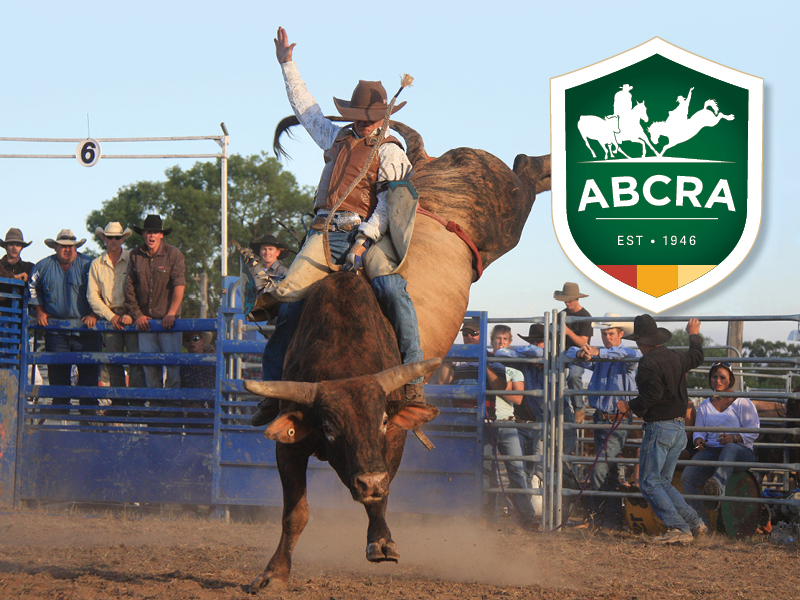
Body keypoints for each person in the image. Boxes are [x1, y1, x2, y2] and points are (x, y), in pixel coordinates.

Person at [252, 26, 423, 426]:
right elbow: (307, 109)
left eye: (369, 119)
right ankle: (274, 388)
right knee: (289, 302)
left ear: (381, 118)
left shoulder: (391, 152)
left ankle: (413, 375)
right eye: (358, 118)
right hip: (324, 235)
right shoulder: (336, 138)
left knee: (391, 288)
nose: (362, 125)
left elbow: (386, 206)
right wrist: (287, 64)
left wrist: (363, 242)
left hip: (369, 233)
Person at [616, 315, 708, 544]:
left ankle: (679, 527)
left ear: (640, 341)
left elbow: (652, 395)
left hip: (660, 427)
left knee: (648, 482)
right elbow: (697, 356)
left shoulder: (648, 363)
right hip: (678, 428)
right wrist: (693, 335)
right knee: (662, 482)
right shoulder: (676, 356)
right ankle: (694, 523)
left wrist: (629, 405)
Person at [568, 313, 641, 529]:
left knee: (601, 467)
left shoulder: (627, 353)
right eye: (604, 333)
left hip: (618, 420)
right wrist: (583, 352)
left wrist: (594, 352)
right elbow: (571, 351)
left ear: (620, 334)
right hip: (601, 417)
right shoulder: (599, 355)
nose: (607, 337)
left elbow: (623, 355)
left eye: (611, 333)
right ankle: (610, 521)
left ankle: (595, 517)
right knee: (608, 470)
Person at [28, 229, 100, 416]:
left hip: (86, 329)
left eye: (71, 246)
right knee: (58, 374)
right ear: (56, 247)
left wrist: (94, 312)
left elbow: (103, 289)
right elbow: (32, 286)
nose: (67, 250)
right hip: (56, 330)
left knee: (89, 375)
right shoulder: (42, 267)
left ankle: (88, 416)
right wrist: (40, 310)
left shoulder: (89, 265)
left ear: (76, 248)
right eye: (63, 246)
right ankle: (59, 416)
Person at [681, 362, 760, 526]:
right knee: (687, 478)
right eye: (714, 377)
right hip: (712, 451)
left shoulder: (741, 402)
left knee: (729, 448)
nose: (718, 381)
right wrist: (698, 440)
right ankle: (701, 525)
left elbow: (754, 430)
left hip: (740, 453)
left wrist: (735, 438)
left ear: (730, 380)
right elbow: (699, 430)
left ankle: (716, 489)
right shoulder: (705, 405)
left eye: (722, 377)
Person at [124, 215, 185, 403]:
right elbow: (129, 287)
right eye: (148, 232)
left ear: (161, 235)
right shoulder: (135, 255)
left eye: (155, 232)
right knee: (150, 367)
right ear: (143, 234)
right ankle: (156, 406)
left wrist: (171, 312)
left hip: (169, 321)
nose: (151, 236)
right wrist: (138, 315)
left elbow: (179, 285)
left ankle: (172, 408)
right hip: (146, 322)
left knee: (173, 367)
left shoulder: (173, 254)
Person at [87, 222, 146, 414]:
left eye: (117, 237)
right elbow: (92, 295)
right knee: (114, 363)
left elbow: (139, 287)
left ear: (122, 239)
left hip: (130, 313)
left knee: (135, 362)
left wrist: (131, 313)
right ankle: (120, 404)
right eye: (110, 237)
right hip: (109, 314)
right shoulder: (96, 264)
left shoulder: (132, 258)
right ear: (104, 238)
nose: (113, 241)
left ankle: (135, 405)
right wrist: (111, 316)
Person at [487, 324, 538, 528]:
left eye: (505, 339)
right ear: (492, 341)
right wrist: (502, 385)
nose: (501, 342)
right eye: (498, 339)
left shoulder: (514, 369)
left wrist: (494, 383)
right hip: (488, 423)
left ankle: (527, 516)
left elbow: (518, 398)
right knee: (486, 470)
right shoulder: (486, 365)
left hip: (507, 423)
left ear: (510, 343)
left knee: (517, 469)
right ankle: (487, 515)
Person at [554, 282, 591, 425]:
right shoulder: (561, 315)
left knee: (574, 375)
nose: (567, 303)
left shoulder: (585, 316)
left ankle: (579, 407)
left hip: (578, 354)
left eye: (569, 300)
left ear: (577, 299)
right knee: (553, 377)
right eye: (565, 300)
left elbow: (584, 342)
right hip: (562, 353)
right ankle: (559, 408)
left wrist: (567, 331)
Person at [180, 331, 216, 426]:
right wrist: (189, 406)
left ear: (202, 341)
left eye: (195, 339)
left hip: (215, 409)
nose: (191, 342)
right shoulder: (183, 365)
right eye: (188, 340)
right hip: (196, 414)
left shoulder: (213, 359)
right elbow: (181, 389)